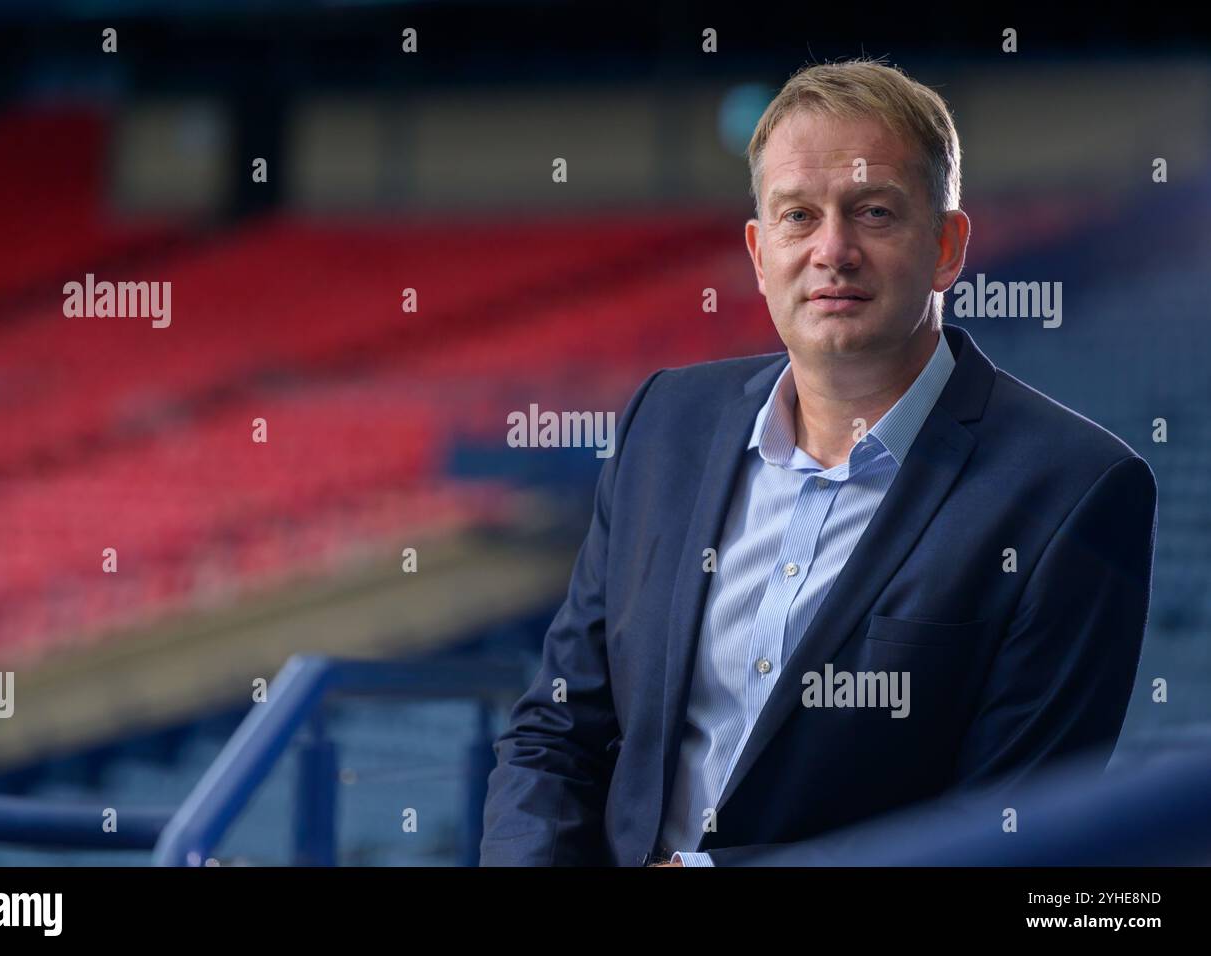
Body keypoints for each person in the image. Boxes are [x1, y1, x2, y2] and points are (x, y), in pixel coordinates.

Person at [480, 58, 1158, 867]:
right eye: (798, 216)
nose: (833, 250)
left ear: (947, 246)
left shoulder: (1074, 492)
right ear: (760, 252)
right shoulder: (666, 423)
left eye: (874, 212)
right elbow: (556, 731)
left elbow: (1006, 838)